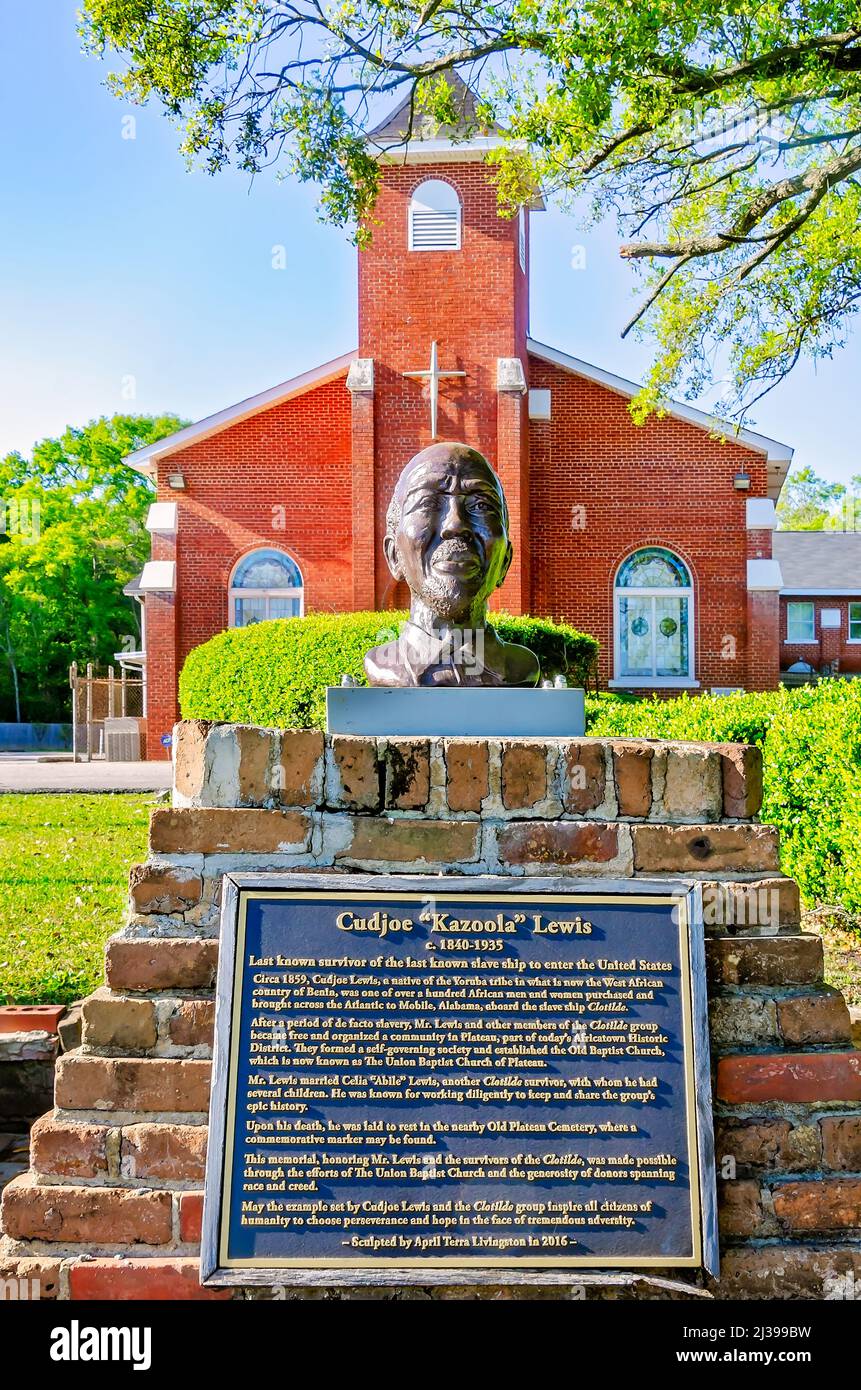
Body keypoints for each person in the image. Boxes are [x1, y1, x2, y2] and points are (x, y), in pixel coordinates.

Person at [363, 442, 540, 687]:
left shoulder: (521, 670)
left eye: (480, 506)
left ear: (505, 562)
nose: (455, 525)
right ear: (394, 556)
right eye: (428, 503)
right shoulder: (382, 666)